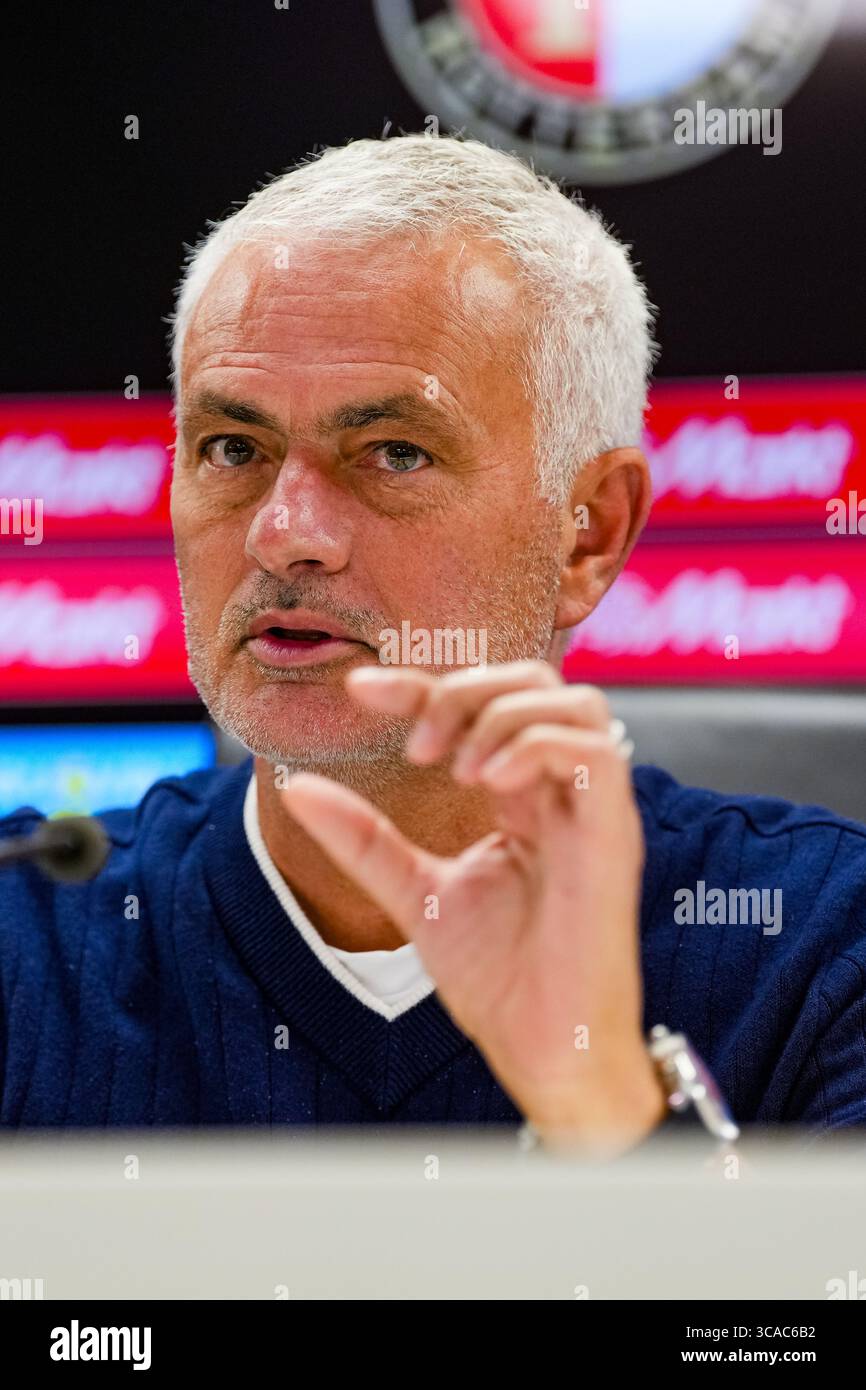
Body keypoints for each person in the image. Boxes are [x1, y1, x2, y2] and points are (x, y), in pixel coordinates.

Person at [2, 136, 865, 1152]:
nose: (284, 532)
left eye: (393, 452)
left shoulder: (819, 942)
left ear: (585, 530)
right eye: (233, 448)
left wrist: (602, 1103)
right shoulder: (27, 933)